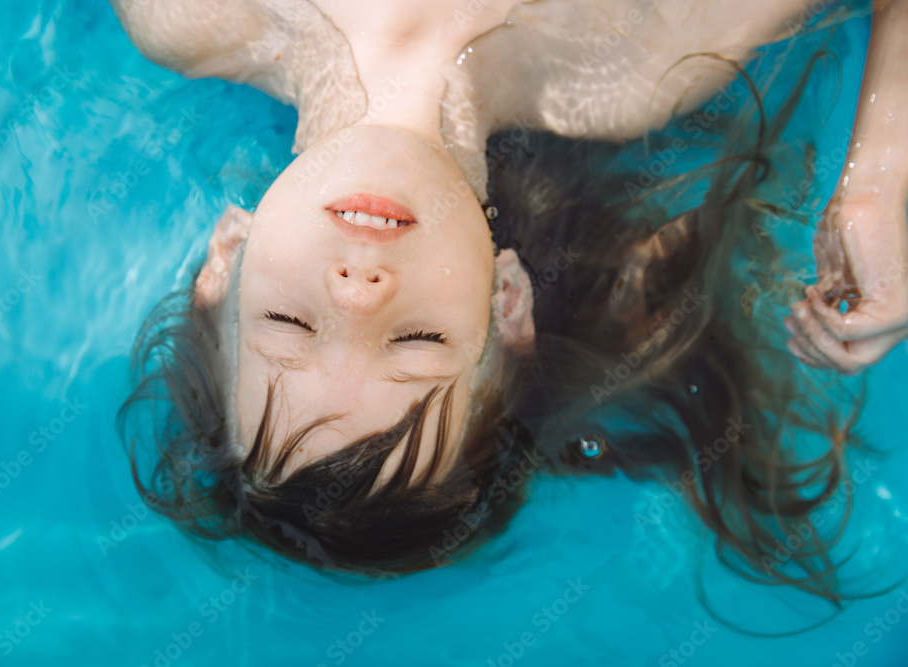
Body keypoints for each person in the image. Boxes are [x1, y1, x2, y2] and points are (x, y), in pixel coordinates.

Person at [113, 0, 908, 589]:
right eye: (417, 339)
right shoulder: (637, 62)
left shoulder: (188, 16)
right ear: (506, 299)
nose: (357, 294)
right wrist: (878, 182)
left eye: (290, 322)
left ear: (228, 258)